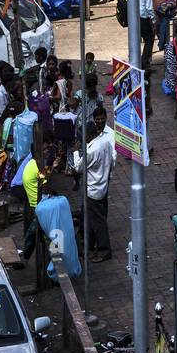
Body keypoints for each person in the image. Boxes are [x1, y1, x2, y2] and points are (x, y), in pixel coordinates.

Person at [75, 111, 114, 261]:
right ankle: (87, 245)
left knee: (98, 222)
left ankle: (104, 250)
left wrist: (77, 152)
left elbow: (78, 168)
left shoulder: (91, 150)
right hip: (102, 186)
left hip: (93, 190)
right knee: (89, 218)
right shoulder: (105, 143)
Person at [138, 0, 156, 71]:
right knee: (149, 40)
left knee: (137, 39)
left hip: (132, 18)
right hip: (143, 18)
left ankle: (137, 61)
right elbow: (149, 7)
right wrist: (153, 20)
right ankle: (144, 63)